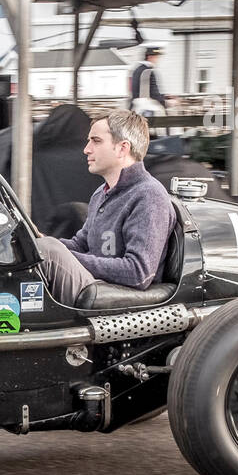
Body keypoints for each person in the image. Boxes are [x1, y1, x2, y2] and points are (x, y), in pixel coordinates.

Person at [34, 109, 177, 307]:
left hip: (119, 301)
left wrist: (60, 255)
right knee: (40, 247)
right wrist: (40, 242)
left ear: (122, 148)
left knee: (48, 251)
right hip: (97, 286)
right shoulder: (101, 193)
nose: (86, 149)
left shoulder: (148, 195)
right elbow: (81, 244)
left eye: (96, 141)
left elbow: (139, 273)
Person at [128, 46, 174, 115]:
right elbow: (153, 93)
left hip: (136, 108)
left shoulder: (137, 69)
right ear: (150, 57)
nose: (157, 60)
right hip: (146, 109)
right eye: (156, 57)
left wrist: (164, 96)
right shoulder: (148, 70)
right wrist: (165, 102)